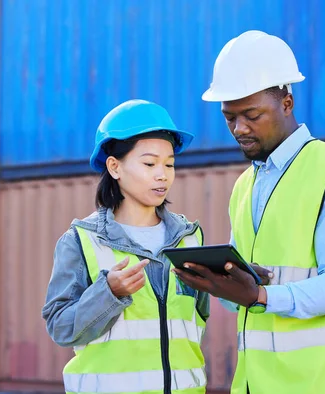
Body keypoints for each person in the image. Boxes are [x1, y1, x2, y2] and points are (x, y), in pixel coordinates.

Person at [173, 31, 325, 394]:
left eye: (251, 115)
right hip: (252, 384)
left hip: (319, 385)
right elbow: (242, 302)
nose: (239, 129)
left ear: (287, 102)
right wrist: (221, 285)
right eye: (229, 117)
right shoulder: (243, 187)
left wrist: (261, 296)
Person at [42, 99, 209, 394]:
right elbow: (60, 327)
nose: (163, 174)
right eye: (149, 163)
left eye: (169, 163)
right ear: (115, 167)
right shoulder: (82, 241)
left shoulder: (190, 239)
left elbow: (197, 320)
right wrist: (108, 293)